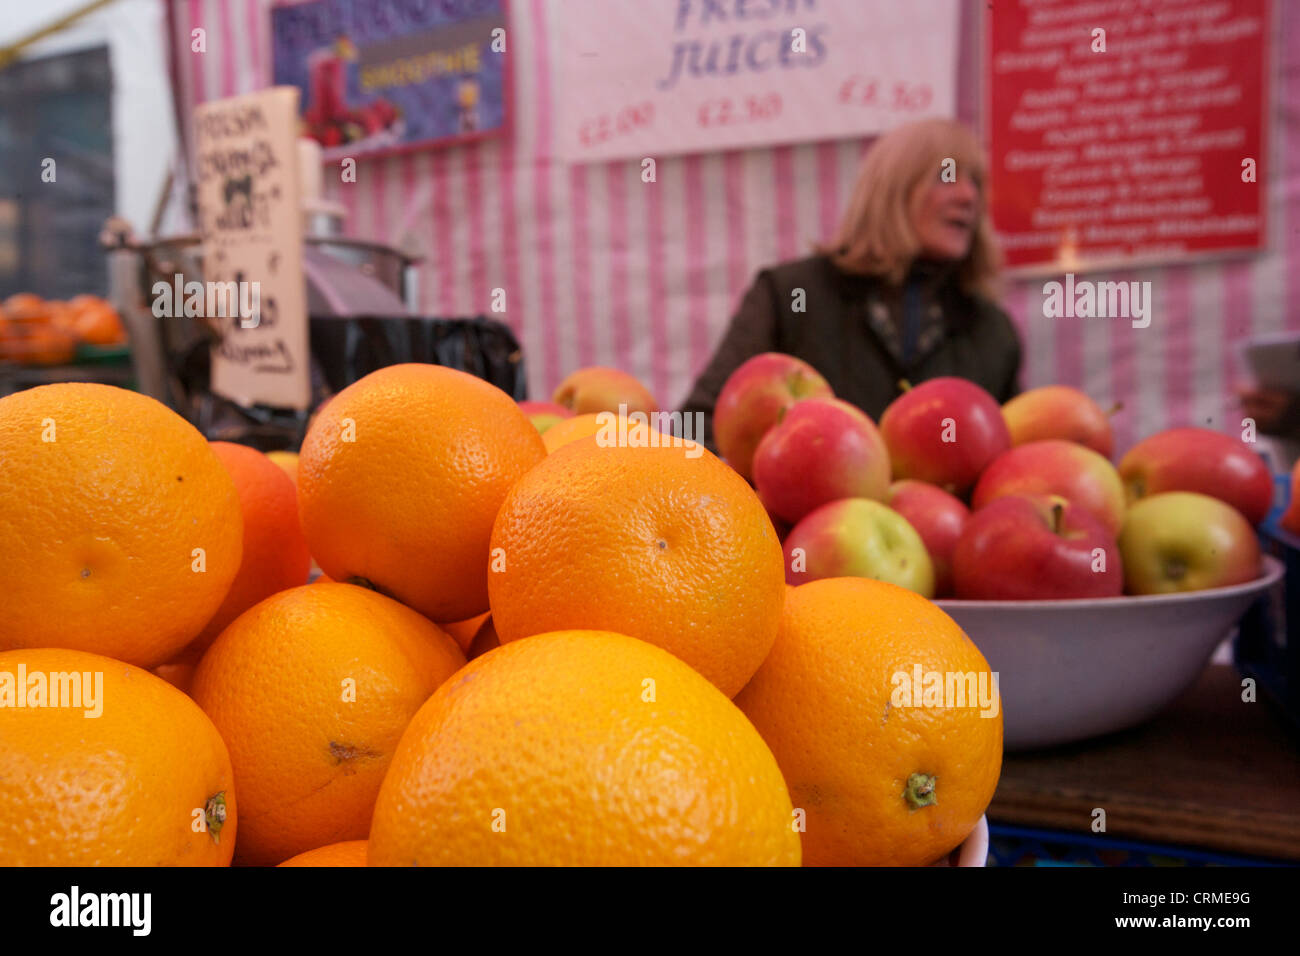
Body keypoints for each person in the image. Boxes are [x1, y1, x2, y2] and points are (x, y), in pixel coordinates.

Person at [680, 118, 1021, 451]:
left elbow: (1011, 458)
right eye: (947, 177)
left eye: (975, 182)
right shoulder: (791, 296)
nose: (968, 196)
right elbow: (693, 426)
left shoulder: (992, 331)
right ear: (891, 190)